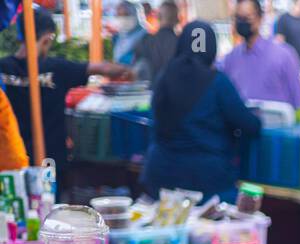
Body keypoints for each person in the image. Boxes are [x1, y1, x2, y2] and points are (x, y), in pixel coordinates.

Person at [0, 9, 132, 175]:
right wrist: (129, 71)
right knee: (48, 200)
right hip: (49, 161)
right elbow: (102, 68)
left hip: (10, 159)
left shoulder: (2, 68)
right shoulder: (58, 68)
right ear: (47, 38)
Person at [143, 21, 262, 203]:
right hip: (207, 182)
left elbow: (154, 121)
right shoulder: (217, 82)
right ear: (212, 49)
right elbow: (249, 125)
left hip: (161, 177)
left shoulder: (164, 77)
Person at [220, 0, 300, 109]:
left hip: (279, 124)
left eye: (247, 17)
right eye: (238, 18)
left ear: (260, 18)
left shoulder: (284, 55)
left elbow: (298, 100)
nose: (242, 22)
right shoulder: (230, 59)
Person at [132, 0, 181, 86]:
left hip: (150, 94)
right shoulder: (183, 42)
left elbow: (135, 71)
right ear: (178, 19)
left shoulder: (145, 41)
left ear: (158, 17)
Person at [112, 2, 149, 67]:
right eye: (119, 15)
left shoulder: (145, 37)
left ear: (135, 15)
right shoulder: (117, 37)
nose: (122, 19)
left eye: (126, 15)